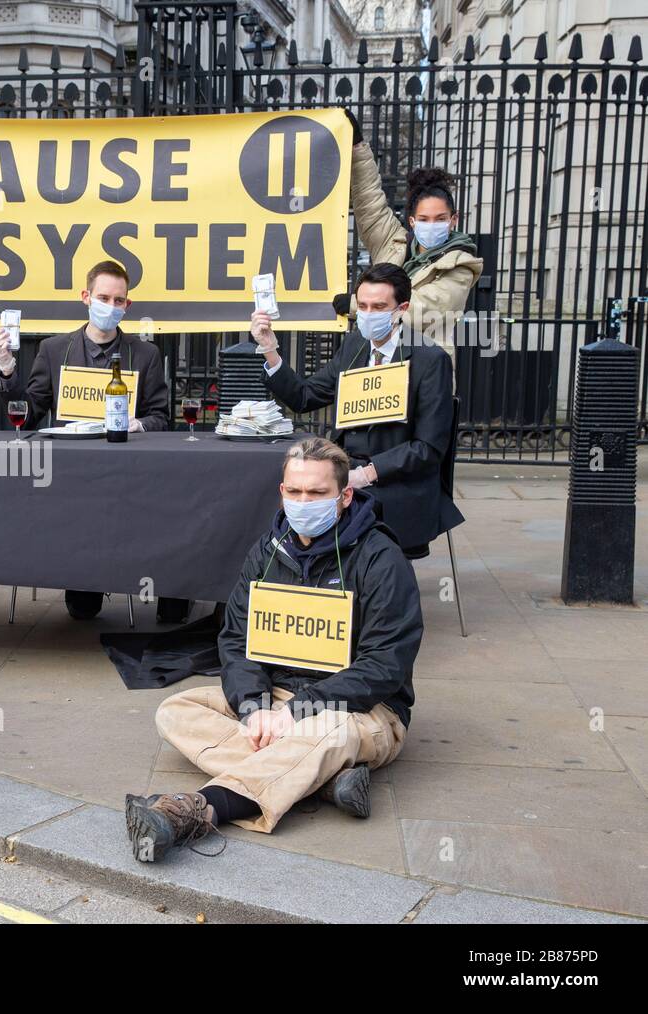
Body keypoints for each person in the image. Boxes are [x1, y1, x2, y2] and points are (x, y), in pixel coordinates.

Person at [126, 437, 421, 861]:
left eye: (318, 493)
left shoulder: (381, 559)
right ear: (282, 492)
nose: (305, 501)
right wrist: (254, 705)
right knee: (175, 711)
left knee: (329, 733)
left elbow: (384, 664)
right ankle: (319, 779)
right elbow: (236, 638)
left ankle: (194, 811)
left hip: (362, 709)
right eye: (295, 491)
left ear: (344, 496)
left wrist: (297, 711)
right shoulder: (266, 551)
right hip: (278, 696)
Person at [0, 258, 172, 621]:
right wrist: (7, 369)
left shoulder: (146, 354)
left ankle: (147, 585)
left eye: (118, 300)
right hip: (71, 477)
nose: (111, 306)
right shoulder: (54, 350)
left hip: (127, 474)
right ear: (86, 297)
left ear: (127, 305)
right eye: (104, 297)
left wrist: (140, 425)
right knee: (82, 610)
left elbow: (162, 417)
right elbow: (29, 412)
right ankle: (83, 582)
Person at [256, 261, 463, 558]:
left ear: (401, 308)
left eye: (379, 307)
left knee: (343, 522)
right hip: (345, 469)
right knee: (293, 499)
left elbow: (427, 448)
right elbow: (305, 396)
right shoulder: (355, 345)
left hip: (394, 480)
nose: (368, 314)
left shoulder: (430, 360)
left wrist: (367, 473)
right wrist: (269, 349)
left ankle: (365, 592)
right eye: (363, 305)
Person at [341, 111, 483, 364]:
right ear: (412, 221)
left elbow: (421, 310)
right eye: (425, 219)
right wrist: (357, 148)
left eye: (440, 219)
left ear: (454, 220)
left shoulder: (461, 264)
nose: (433, 225)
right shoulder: (395, 243)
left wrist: (356, 305)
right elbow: (370, 203)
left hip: (423, 375)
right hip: (376, 366)